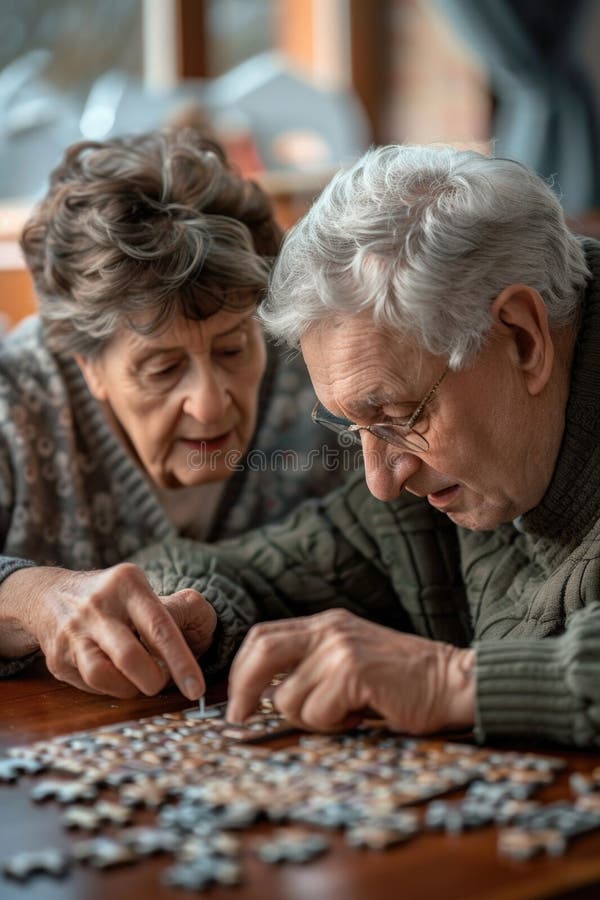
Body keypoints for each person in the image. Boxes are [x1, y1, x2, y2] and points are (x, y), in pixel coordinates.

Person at [133, 143, 600, 748]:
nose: (382, 482)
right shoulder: (435, 476)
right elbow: (243, 570)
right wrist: (186, 612)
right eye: (355, 429)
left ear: (522, 339)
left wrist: (446, 682)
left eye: (397, 417)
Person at [0, 129, 346, 699]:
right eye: (162, 370)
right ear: (86, 363)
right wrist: (29, 597)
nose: (210, 404)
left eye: (234, 349)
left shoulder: (321, 380)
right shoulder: (17, 403)